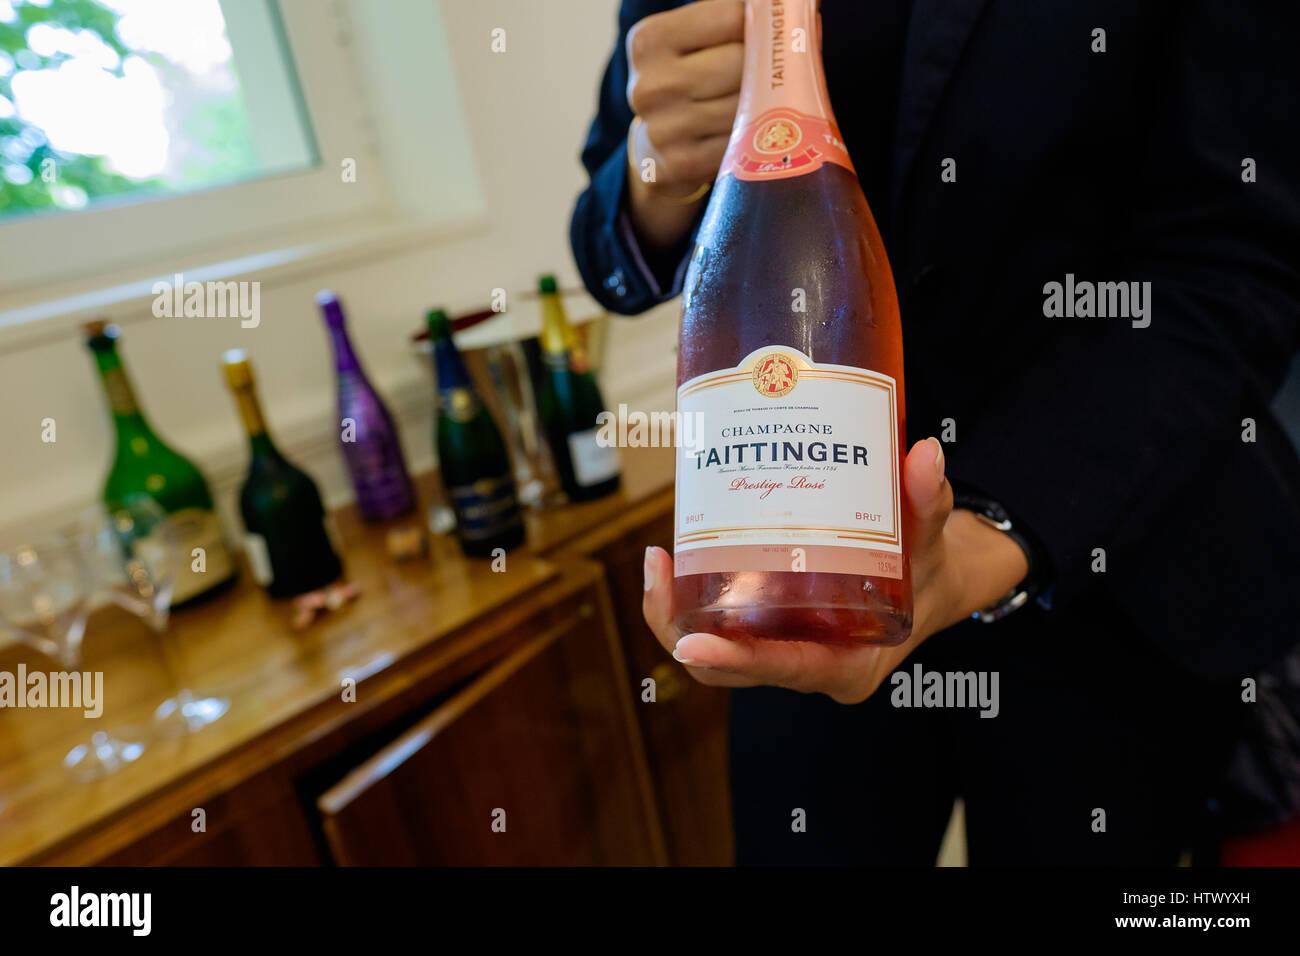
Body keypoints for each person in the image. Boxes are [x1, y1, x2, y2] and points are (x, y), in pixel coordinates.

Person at [570, 0, 1300, 864]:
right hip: (798, 566)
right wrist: (656, 170)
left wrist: (989, 529)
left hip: (1119, 562)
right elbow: (607, 231)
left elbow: (1237, 253)